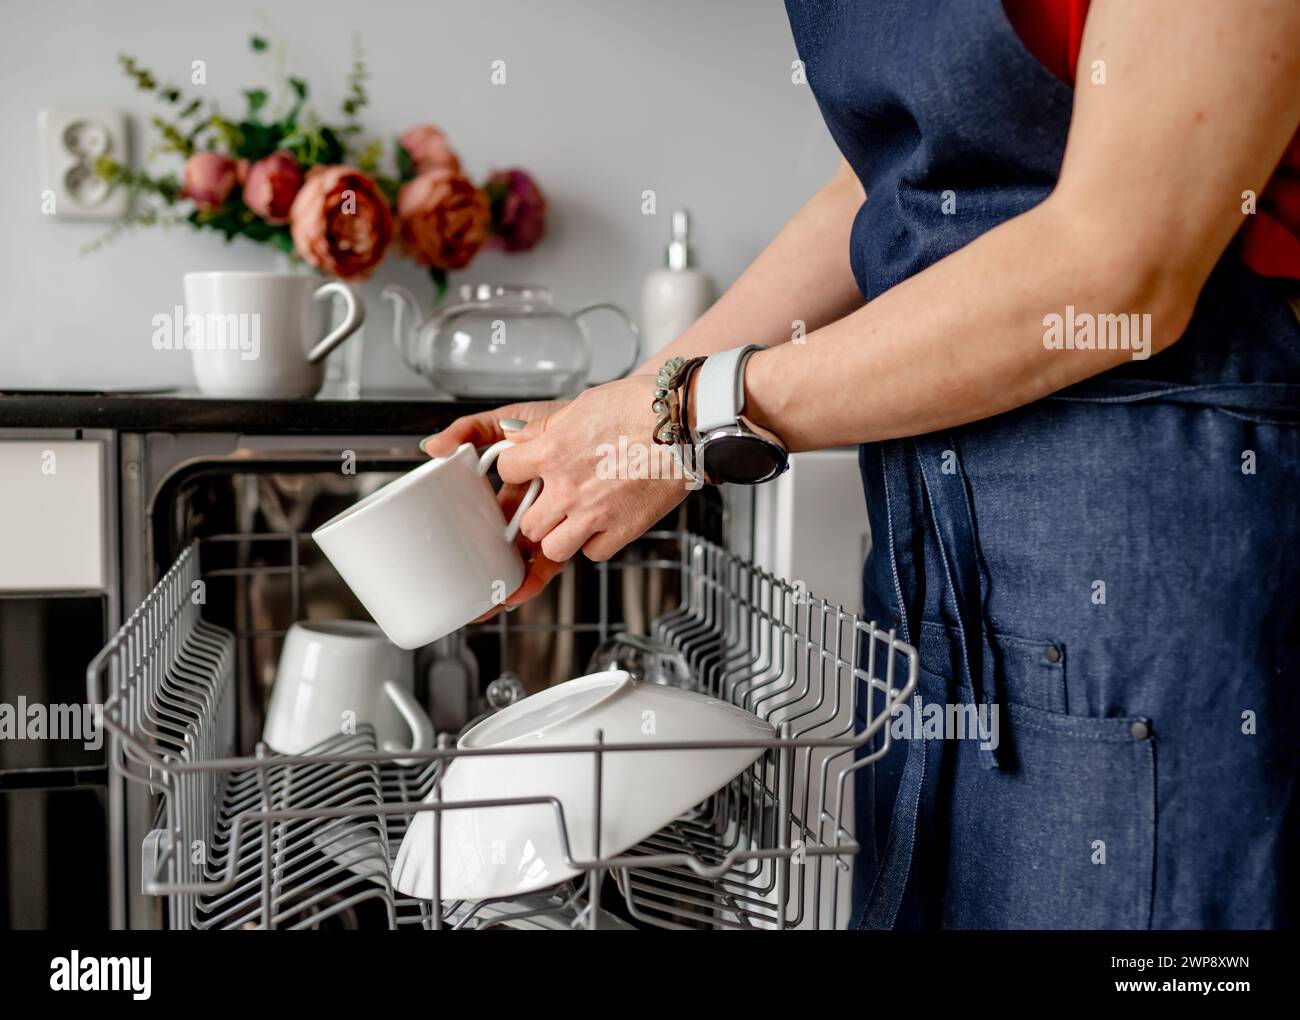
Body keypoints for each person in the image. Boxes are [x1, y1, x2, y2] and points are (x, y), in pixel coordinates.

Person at [423, 0, 1300, 928]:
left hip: (1151, 532)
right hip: (937, 537)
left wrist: (679, 422)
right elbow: (892, 181)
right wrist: (636, 405)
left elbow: (1120, 265)